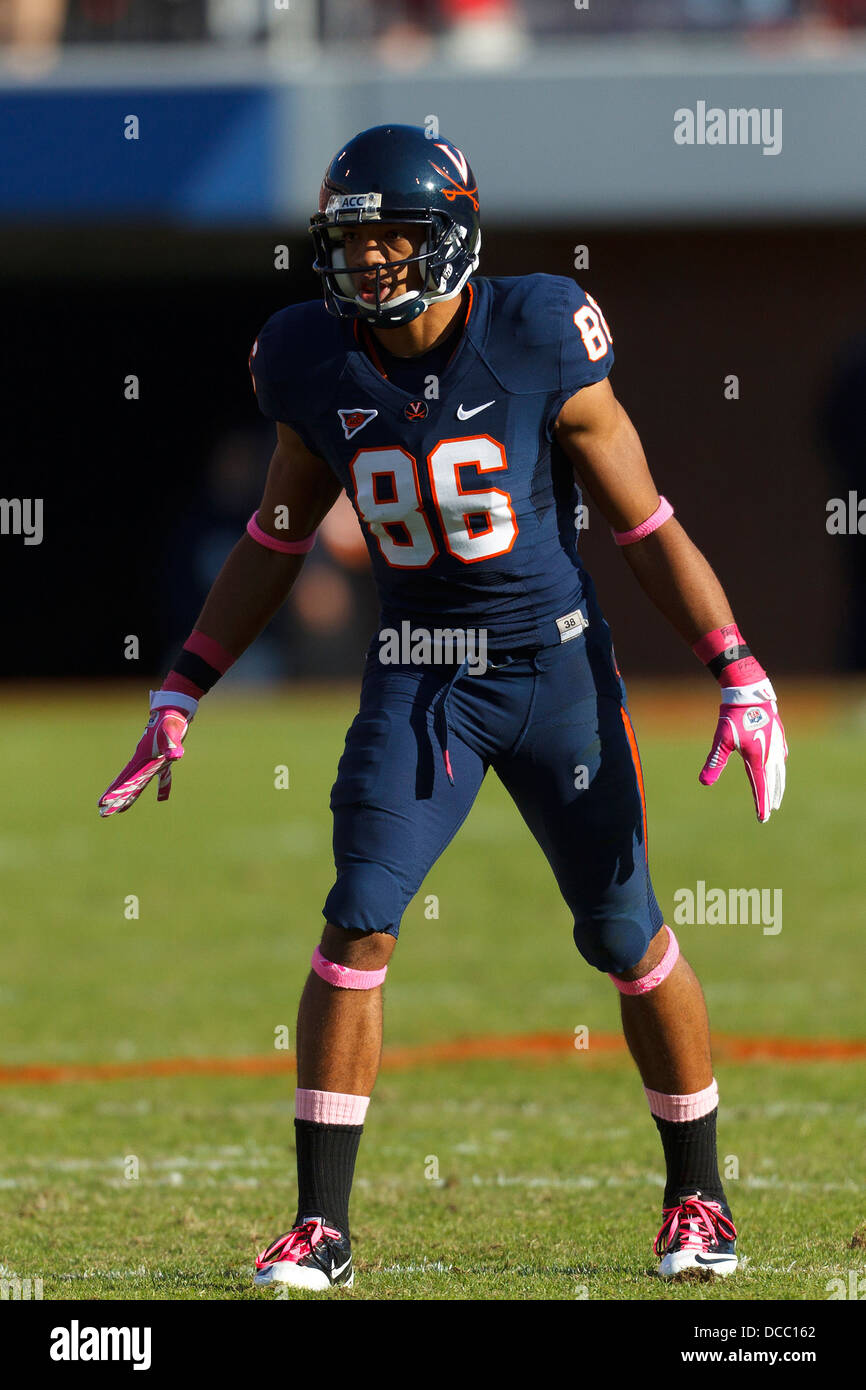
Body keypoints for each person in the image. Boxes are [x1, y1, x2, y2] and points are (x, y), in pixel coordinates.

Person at [99, 123, 788, 1292]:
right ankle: (322, 1227)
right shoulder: (308, 357)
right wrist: (184, 681)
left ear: (454, 235)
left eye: (390, 241)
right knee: (357, 919)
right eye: (350, 244)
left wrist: (733, 660)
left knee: (623, 932)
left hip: (556, 669)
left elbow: (643, 525)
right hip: (422, 677)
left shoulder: (533, 333)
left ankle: (698, 1198)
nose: (366, 268)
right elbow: (275, 536)